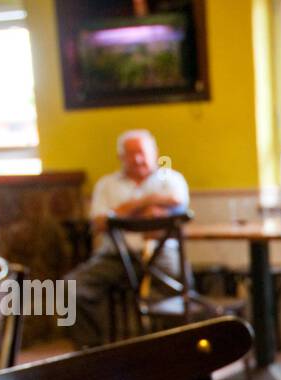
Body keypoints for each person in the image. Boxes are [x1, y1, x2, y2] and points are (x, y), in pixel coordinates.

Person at [65, 129, 190, 349]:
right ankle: (91, 352)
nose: (137, 159)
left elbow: (174, 212)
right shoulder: (107, 184)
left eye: (141, 152)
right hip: (114, 256)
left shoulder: (170, 179)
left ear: (155, 153)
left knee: (182, 293)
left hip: (160, 253)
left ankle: (173, 352)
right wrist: (144, 205)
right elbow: (99, 223)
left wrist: (123, 211)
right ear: (120, 157)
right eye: (130, 154)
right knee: (71, 287)